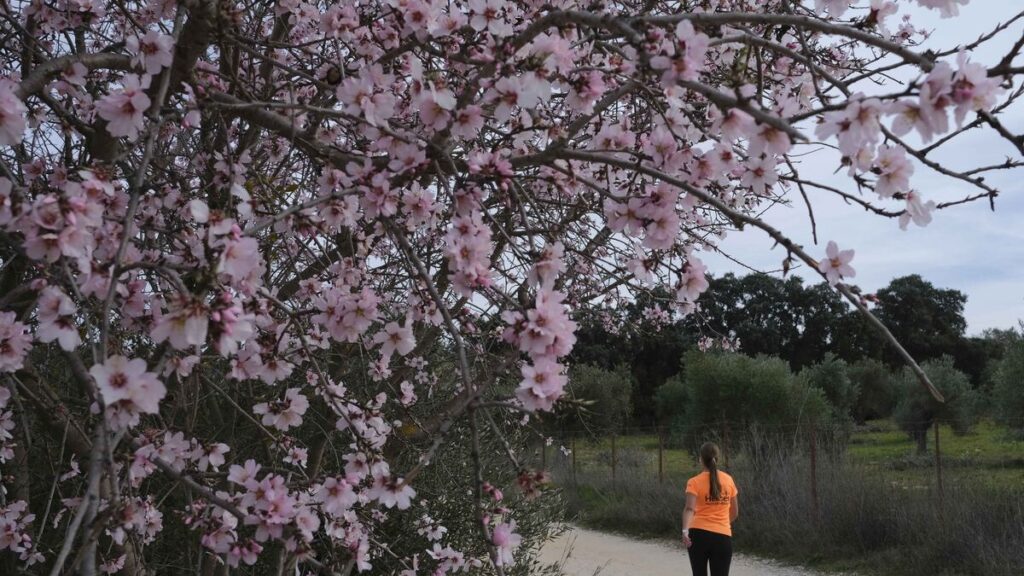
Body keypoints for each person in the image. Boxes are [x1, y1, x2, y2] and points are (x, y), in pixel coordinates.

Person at [681, 442, 739, 576]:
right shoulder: (728, 480)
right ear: (717, 458)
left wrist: (685, 531)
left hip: (698, 535)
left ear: (700, 459)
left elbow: (689, 509)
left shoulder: (694, 482)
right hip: (722, 536)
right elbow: (735, 512)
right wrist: (721, 524)